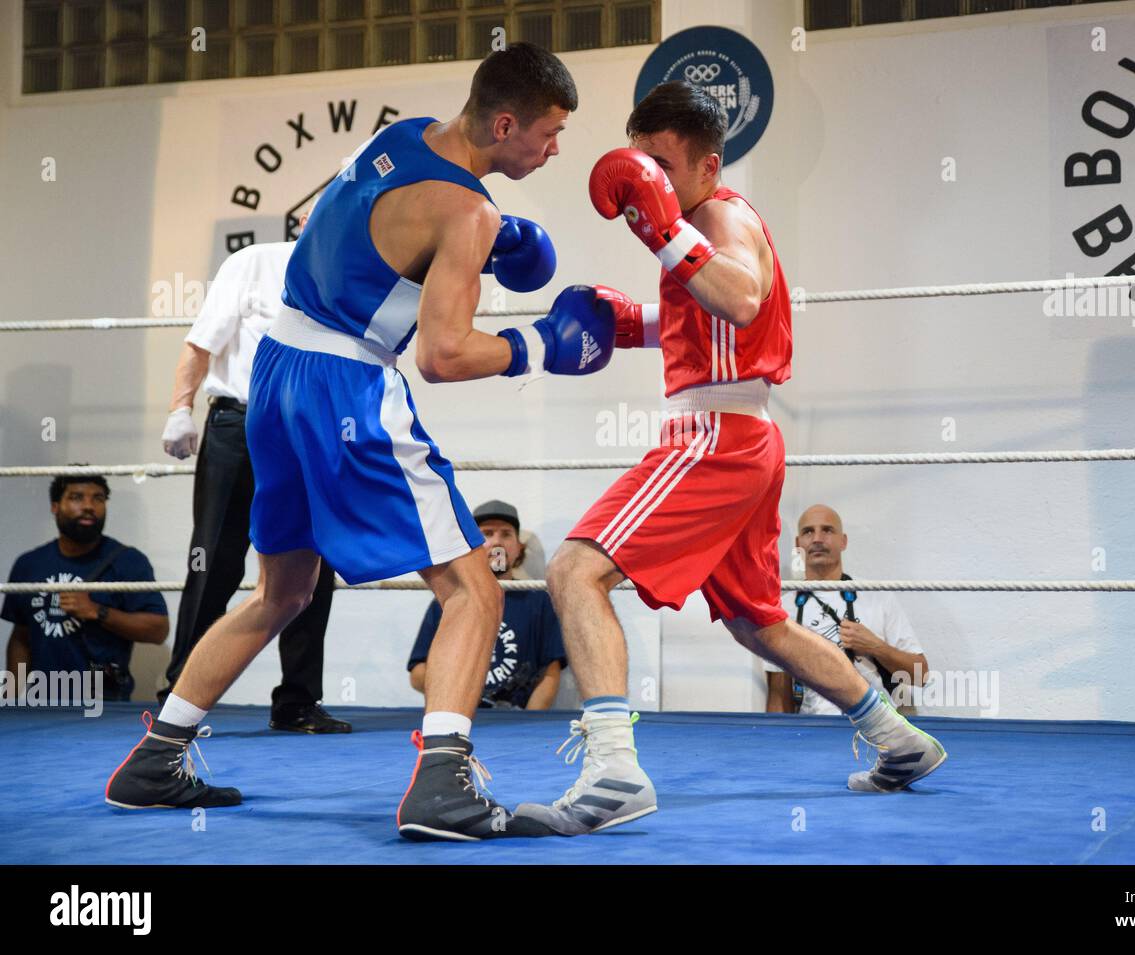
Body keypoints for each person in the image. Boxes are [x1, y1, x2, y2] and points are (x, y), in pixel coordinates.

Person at [106, 42, 615, 842]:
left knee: (282, 594)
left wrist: (495, 234)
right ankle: (444, 782)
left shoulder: (406, 135)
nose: (556, 150)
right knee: (472, 587)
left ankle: (154, 758)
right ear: (506, 122)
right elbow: (441, 357)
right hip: (346, 386)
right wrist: (543, 345)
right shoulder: (467, 211)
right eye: (549, 133)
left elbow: (352, 235)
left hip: (274, 373)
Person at [516, 82, 946, 836]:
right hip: (743, 435)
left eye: (660, 163)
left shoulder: (715, 216)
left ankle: (614, 771)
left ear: (709, 163)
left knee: (572, 569)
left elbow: (742, 298)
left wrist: (658, 229)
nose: (644, 180)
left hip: (715, 438)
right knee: (759, 622)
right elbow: (710, 318)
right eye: (636, 162)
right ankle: (898, 738)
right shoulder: (693, 227)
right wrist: (626, 325)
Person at [159, 212, 349, 734]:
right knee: (214, 557)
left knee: (313, 565)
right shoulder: (254, 261)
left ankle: (297, 702)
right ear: (306, 221)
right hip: (240, 422)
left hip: (312, 429)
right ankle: (180, 698)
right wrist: (181, 407)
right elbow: (201, 343)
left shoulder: (352, 277)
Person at [3, 474, 168, 702]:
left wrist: (97, 611)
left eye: (98, 498)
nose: (89, 506)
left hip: (104, 704)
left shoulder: (128, 562)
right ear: (55, 506)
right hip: (41, 703)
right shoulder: (29, 565)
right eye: (77, 497)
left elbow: (158, 630)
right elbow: (21, 636)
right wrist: (8, 699)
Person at [763, 505, 929, 719]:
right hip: (814, 731)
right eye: (808, 532)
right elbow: (779, 695)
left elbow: (920, 675)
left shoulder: (877, 597)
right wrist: (779, 746)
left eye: (827, 530)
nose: (817, 539)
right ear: (798, 544)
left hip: (878, 728)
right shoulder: (783, 610)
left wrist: (876, 647)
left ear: (844, 541)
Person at [407, 500, 565, 710]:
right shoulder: (449, 600)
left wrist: (527, 724)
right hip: (457, 716)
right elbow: (418, 673)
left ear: (519, 548)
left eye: (506, 534)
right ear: (471, 544)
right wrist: (457, 698)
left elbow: (550, 673)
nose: (497, 542)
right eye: (487, 534)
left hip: (518, 725)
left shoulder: (540, 602)